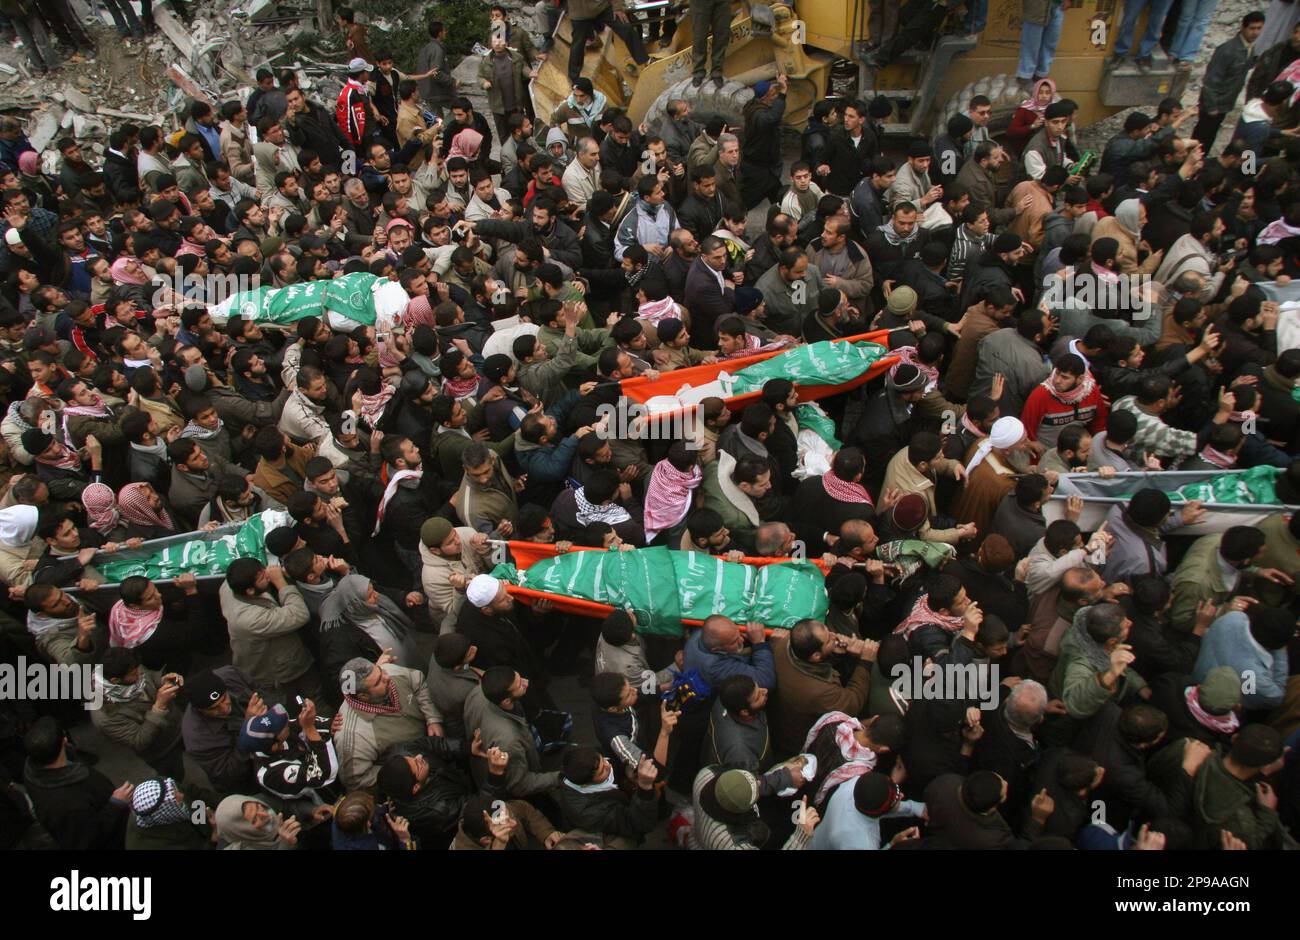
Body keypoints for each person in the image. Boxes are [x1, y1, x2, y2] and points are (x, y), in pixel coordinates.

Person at [1194, 12, 1265, 151]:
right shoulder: (1227, 50)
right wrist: (1212, 106)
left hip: (1226, 102)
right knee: (1201, 137)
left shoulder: (1249, 48)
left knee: (1210, 136)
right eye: (1252, 28)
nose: (1255, 32)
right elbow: (1211, 80)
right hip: (1215, 103)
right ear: (1243, 28)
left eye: (1259, 28)